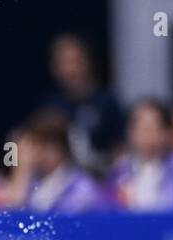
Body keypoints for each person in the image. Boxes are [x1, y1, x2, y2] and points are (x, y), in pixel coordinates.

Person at [38, 33, 124, 172]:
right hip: (62, 176)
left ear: (88, 62)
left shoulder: (106, 101)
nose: (72, 70)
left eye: (76, 61)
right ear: (54, 67)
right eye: (65, 63)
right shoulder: (49, 105)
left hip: (103, 174)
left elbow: (120, 146)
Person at [0, 109, 104, 213]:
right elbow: (8, 216)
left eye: (47, 146)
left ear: (63, 149)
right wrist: (21, 171)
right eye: (36, 145)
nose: (40, 153)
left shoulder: (82, 187)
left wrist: (22, 170)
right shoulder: (31, 182)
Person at [104, 98, 173, 211]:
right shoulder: (118, 174)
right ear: (130, 132)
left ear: (166, 133)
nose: (148, 135)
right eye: (142, 128)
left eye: (154, 128)